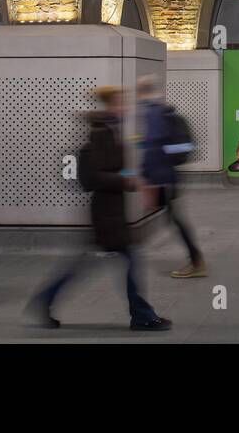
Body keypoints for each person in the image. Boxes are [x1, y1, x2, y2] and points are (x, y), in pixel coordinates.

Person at [27, 86, 170, 331]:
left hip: (112, 212)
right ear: (109, 105)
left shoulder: (112, 130)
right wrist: (126, 180)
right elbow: (90, 178)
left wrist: (132, 177)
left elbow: (114, 168)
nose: (125, 106)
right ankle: (142, 316)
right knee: (130, 260)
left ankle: (46, 299)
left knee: (85, 264)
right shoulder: (99, 133)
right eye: (120, 102)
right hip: (106, 213)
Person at [137, 76, 205, 278]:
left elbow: (153, 147)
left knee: (175, 218)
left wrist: (147, 179)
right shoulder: (161, 109)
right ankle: (196, 259)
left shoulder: (152, 112)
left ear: (141, 92)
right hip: (169, 174)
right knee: (173, 217)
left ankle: (196, 260)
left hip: (163, 176)